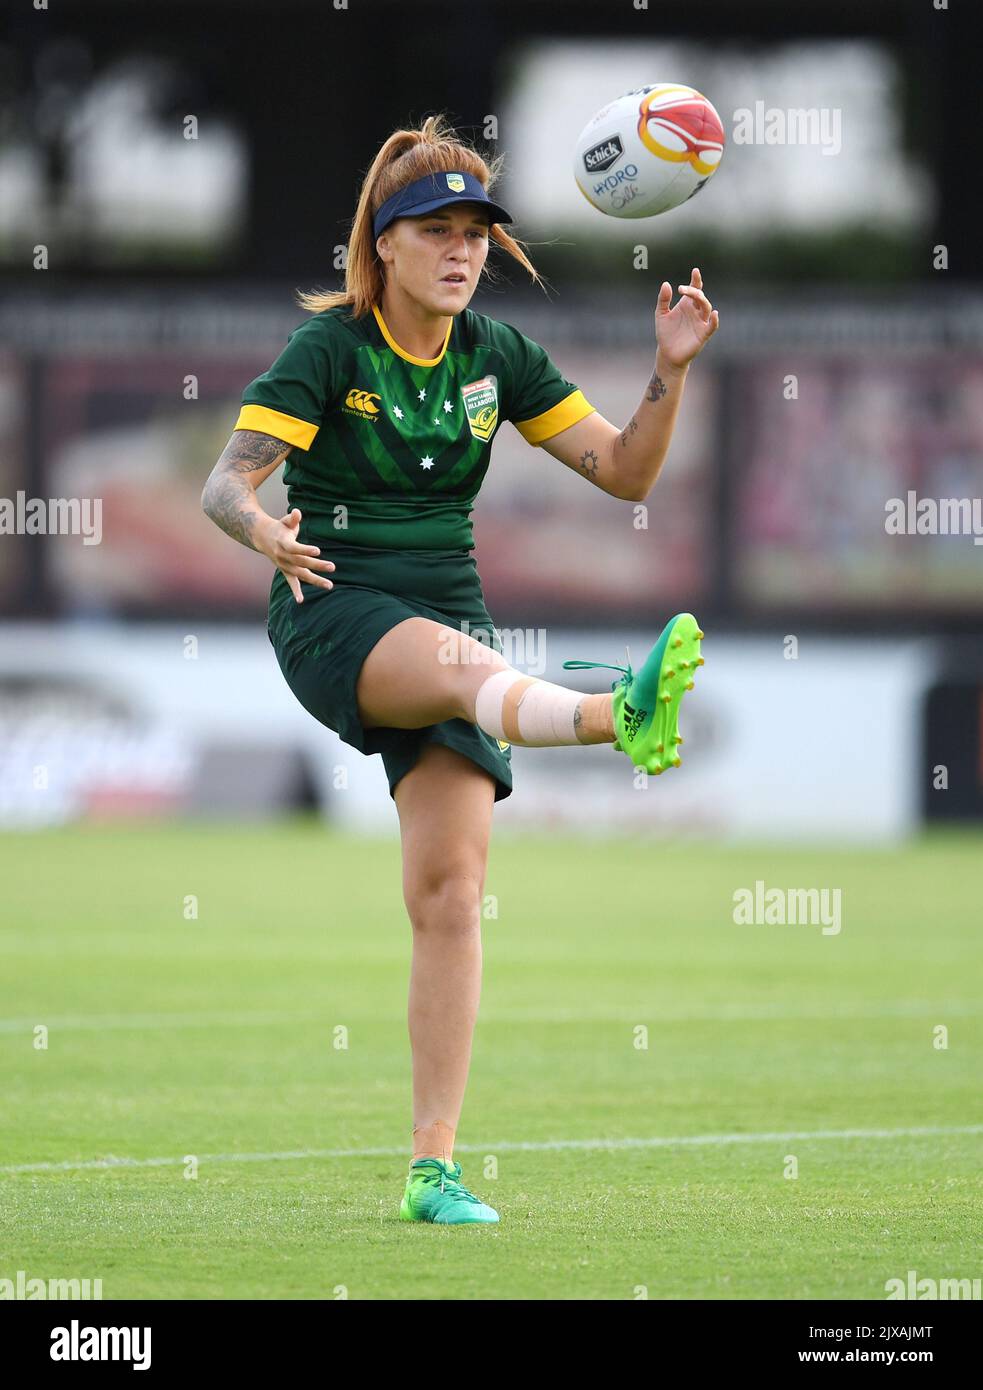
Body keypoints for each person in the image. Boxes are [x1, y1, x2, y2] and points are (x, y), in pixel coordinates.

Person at [201, 113, 718, 1225]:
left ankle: (432, 1168)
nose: (462, 248)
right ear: (380, 246)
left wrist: (665, 370)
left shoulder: (497, 356)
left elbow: (625, 474)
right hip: (329, 599)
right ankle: (607, 714)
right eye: (434, 228)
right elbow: (222, 488)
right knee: (456, 664)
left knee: (451, 898)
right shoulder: (329, 350)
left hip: (447, 612)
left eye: (477, 230)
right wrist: (263, 533)